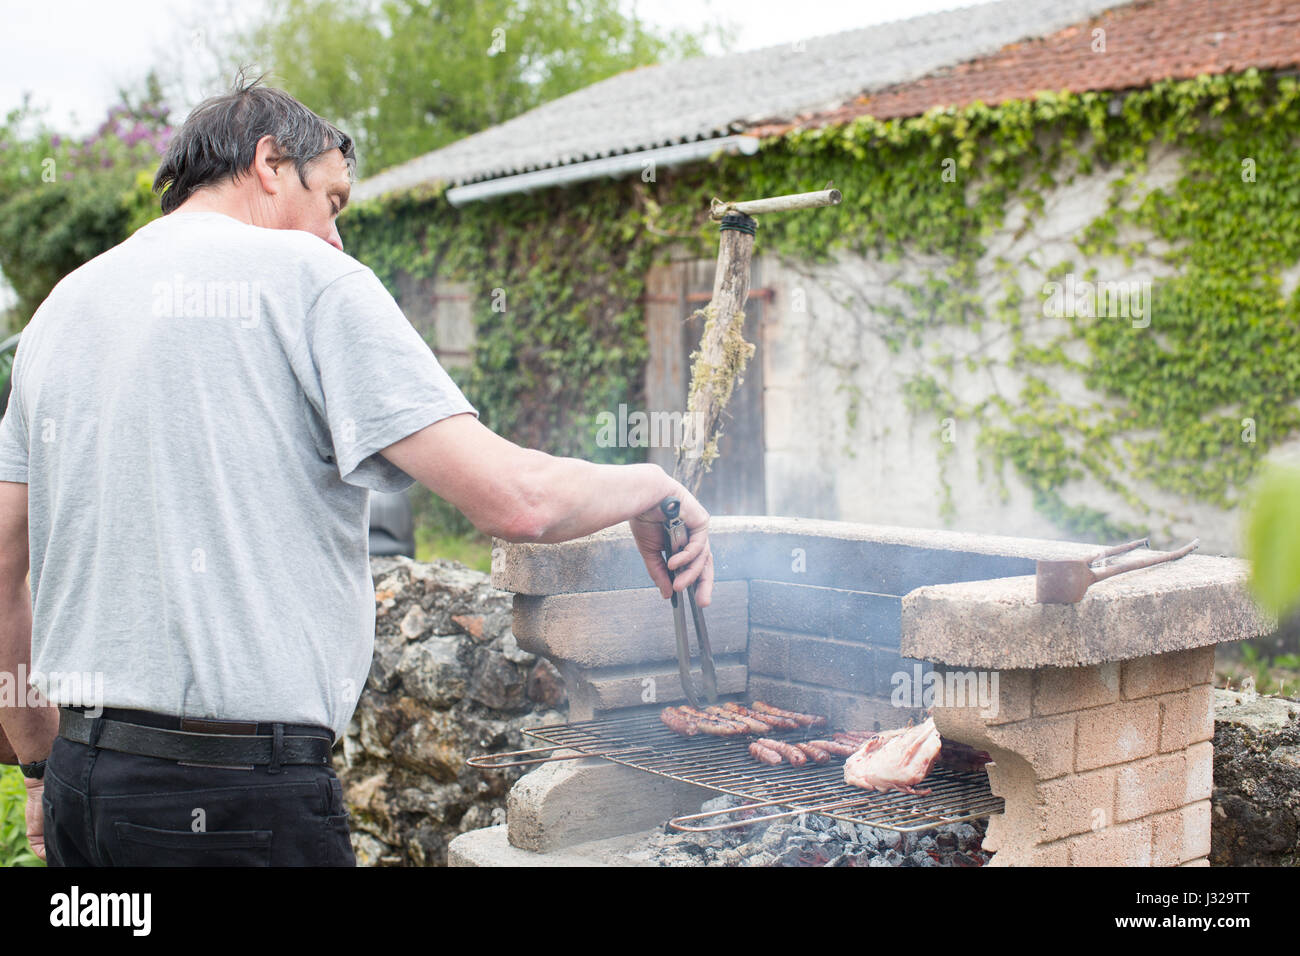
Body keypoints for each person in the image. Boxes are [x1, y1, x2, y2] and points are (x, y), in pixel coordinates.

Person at [0, 75, 712, 866]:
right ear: (271, 163)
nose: (337, 237)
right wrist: (650, 484)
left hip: (83, 790)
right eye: (333, 201)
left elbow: (1, 566)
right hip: (236, 805)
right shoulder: (309, 280)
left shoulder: (59, 311)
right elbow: (516, 501)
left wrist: (37, 768)